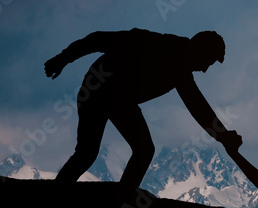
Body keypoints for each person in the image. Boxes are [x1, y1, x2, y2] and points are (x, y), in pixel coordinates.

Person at [44, 28, 242, 189]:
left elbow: (199, 108)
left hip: (120, 100)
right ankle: (115, 202)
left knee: (140, 150)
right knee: (91, 153)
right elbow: (98, 39)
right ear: (199, 50)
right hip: (97, 91)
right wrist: (63, 58)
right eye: (207, 62)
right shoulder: (156, 43)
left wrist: (223, 136)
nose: (205, 69)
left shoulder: (181, 71)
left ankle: (121, 200)